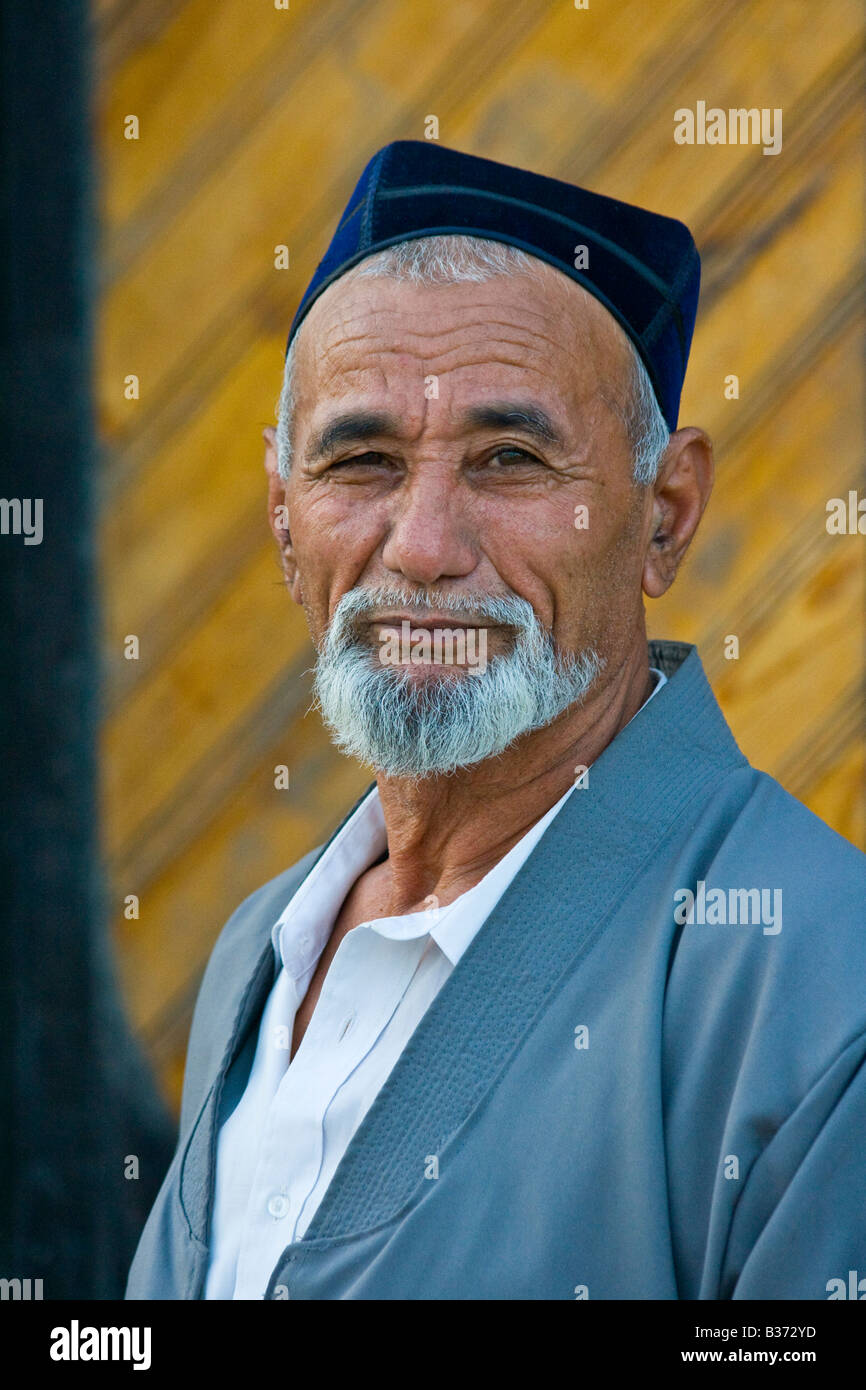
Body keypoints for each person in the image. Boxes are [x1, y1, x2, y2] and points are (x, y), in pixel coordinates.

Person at [126, 141, 866, 1301]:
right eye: (360, 460)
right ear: (283, 516)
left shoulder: (812, 986)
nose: (422, 547)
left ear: (664, 516)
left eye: (509, 459)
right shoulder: (261, 948)